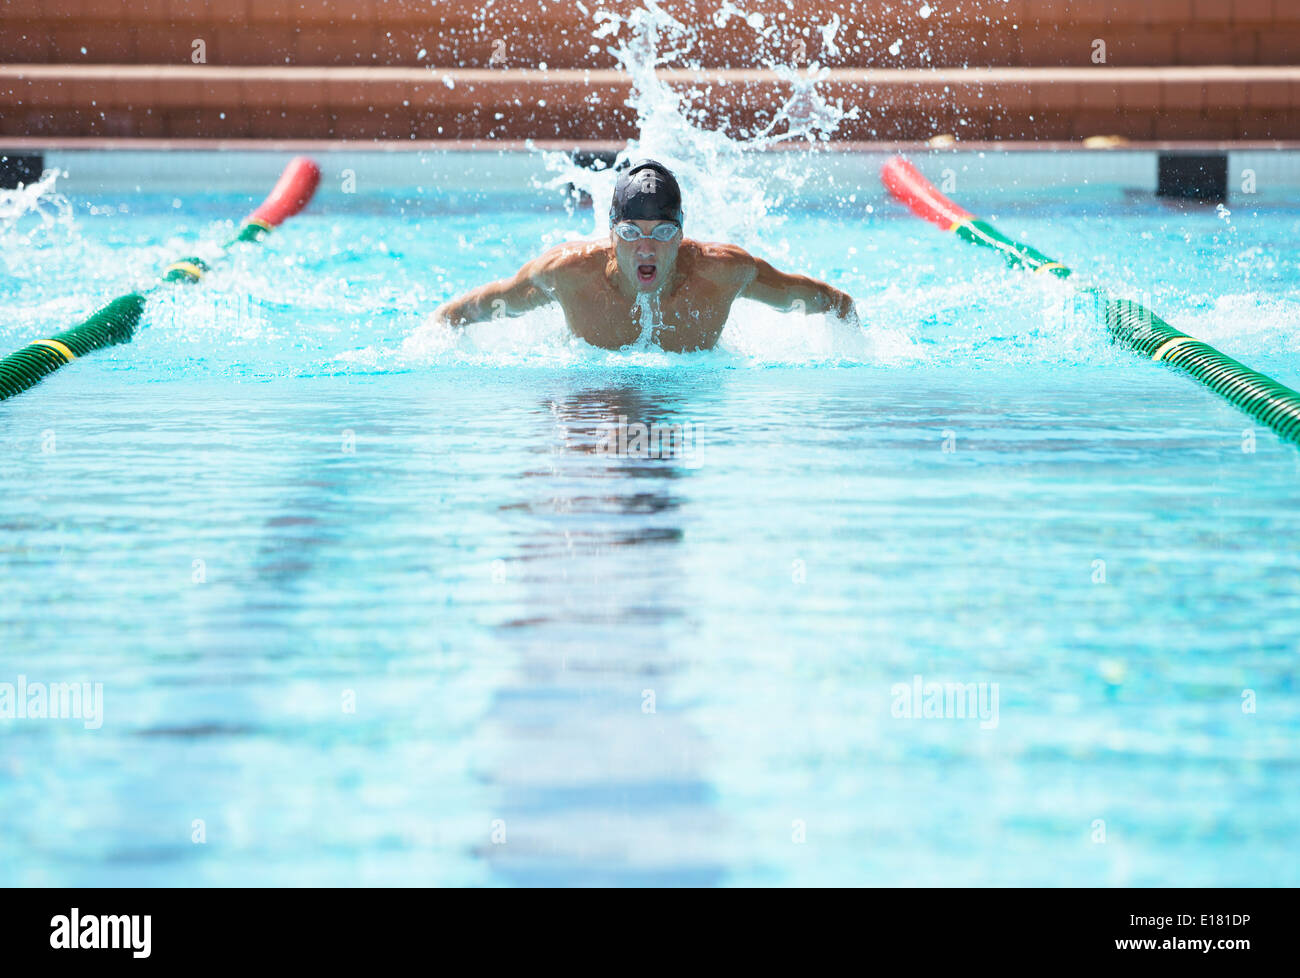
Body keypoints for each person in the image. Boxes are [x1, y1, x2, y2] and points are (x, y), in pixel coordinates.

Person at [431, 159, 859, 352]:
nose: (646, 247)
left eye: (663, 232)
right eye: (632, 232)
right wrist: (437, 331)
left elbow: (833, 304)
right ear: (611, 233)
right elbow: (477, 308)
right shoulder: (568, 274)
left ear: (680, 235)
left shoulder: (726, 272)